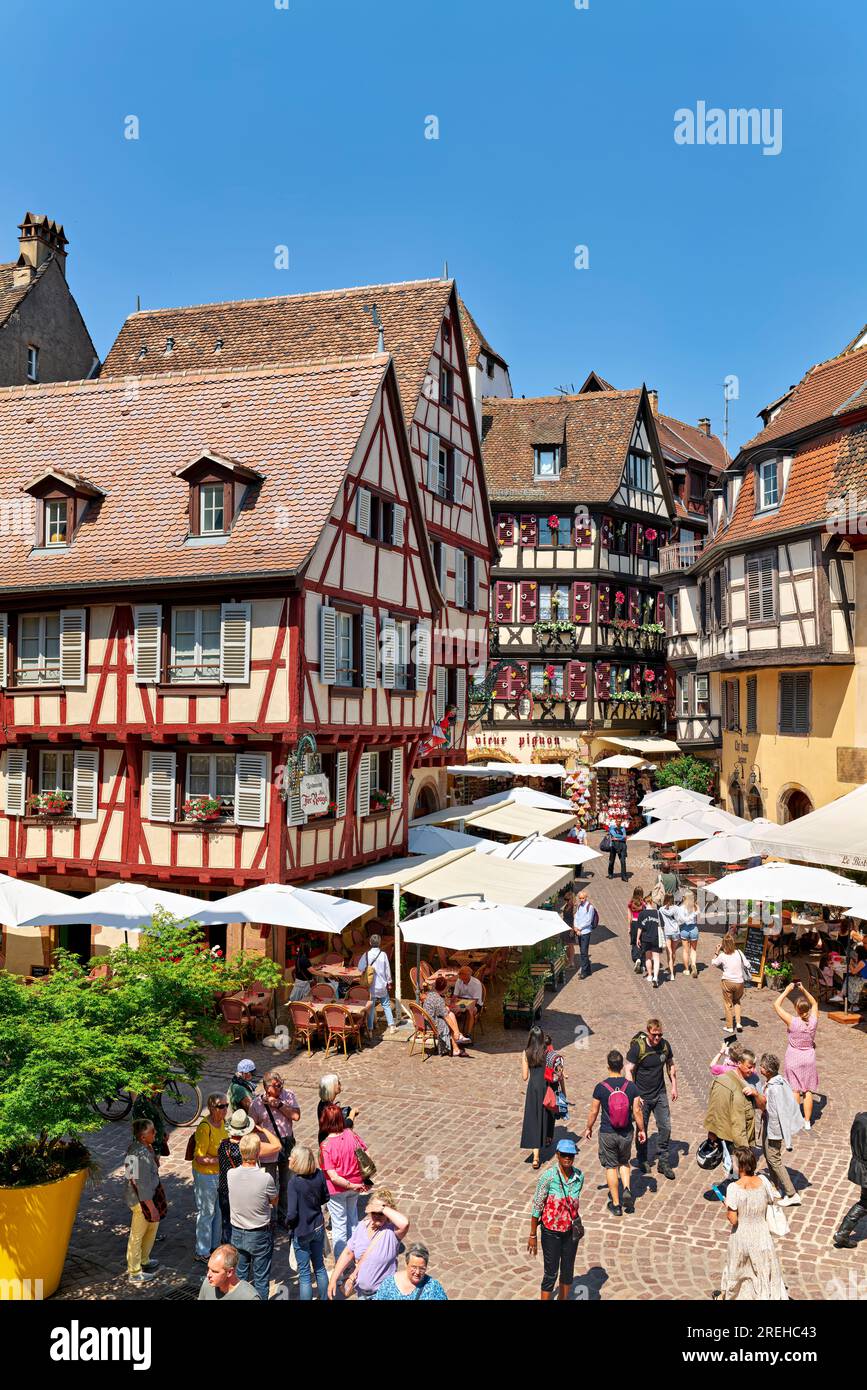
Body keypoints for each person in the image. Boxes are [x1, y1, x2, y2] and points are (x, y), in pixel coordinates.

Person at [717, 1146, 788, 1301]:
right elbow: (770, 1200)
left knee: (738, 1269)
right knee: (761, 1269)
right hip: (762, 1234)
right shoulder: (763, 1181)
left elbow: (733, 1219)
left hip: (742, 1236)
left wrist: (728, 1206)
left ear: (740, 1166)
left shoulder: (733, 1188)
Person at [583, 1049, 645, 1216]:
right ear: (621, 1066)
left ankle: (616, 1204)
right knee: (624, 1162)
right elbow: (637, 1111)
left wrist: (588, 1127)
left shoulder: (601, 1088)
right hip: (626, 1132)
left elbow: (594, 1111)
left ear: (608, 1066)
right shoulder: (631, 1087)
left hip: (607, 1132)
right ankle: (626, 1188)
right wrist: (642, 1130)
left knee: (611, 1166)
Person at [527, 1138, 585, 1300]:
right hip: (550, 1232)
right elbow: (537, 1206)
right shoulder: (548, 1177)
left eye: (571, 1155)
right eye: (564, 1155)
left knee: (567, 1271)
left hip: (570, 1232)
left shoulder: (579, 1177)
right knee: (551, 1273)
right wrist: (532, 1234)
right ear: (558, 1155)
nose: (568, 1158)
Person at [328, 1193, 410, 1300]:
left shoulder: (392, 1231)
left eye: (380, 1213)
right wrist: (334, 1279)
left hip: (384, 1294)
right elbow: (348, 1253)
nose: (376, 1215)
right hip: (362, 1294)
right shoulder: (362, 1226)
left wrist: (382, 1208)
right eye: (373, 1211)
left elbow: (405, 1223)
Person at [218, 1107, 281, 1244]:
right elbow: (277, 1146)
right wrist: (263, 1130)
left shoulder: (222, 1145)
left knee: (226, 1226)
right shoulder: (248, 1149)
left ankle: (227, 1252)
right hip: (243, 1193)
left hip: (225, 1191)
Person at [226, 1132, 277, 1302]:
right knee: (261, 1278)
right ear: (257, 1153)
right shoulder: (265, 1178)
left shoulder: (231, 1174)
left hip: (237, 1232)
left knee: (239, 1276)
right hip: (259, 1233)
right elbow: (274, 1200)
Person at [625, 1018, 677, 1180]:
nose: (657, 1038)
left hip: (660, 1093)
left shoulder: (665, 1046)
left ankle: (663, 1161)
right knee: (642, 1129)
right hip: (642, 1097)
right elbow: (628, 1070)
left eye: (660, 1035)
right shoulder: (638, 1048)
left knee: (666, 1127)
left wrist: (674, 1085)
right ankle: (642, 1158)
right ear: (648, 1032)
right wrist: (634, 1094)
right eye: (654, 1035)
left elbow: (671, 1064)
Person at [319, 1101, 369, 1258]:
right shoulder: (351, 1134)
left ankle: (341, 1267)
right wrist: (357, 1183)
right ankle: (357, 1257)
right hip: (355, 1185)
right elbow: (366, 1156)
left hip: (337, 1191)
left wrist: (349, 1184)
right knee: (353, 1221)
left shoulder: (326, 1145)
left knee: (339, 1227)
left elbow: (333, 1176)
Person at [250, 1069, 300, 1225]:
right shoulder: (257, 1104)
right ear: (267, 1088)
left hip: (286, 1145)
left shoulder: (288, 1096)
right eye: (276, 1086)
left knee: (287, 1183)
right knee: (268, 1185)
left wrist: (279, 1105)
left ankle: (284, 1217)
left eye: (281, 1084)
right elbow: (251, 1127)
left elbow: (296, 1116)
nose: (280, 1088)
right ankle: (268, 1219)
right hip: (268, 1151)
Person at [704, 1048, 763, 1174]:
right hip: (733, 1135)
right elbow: (717, 1110)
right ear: (739, 1064)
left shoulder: (755, 1079)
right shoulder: (724, 1081)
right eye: (749, 1067)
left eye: (754, 1067)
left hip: (746, 1132)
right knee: (736, 1168)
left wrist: (756, 1094)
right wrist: (712, 1135)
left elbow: (763, 1106)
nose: (752, 1070)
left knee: (739, 1168)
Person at [756, 1053, 804, 1206]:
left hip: (774, 1129)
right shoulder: (777, 1081)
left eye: (762, 1067)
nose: (760, 1069)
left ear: (768, 1071)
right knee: (769, 1155)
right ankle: (776, 1187)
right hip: (770, 1126)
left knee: (774, 1158)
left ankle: (791, 1193)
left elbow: (776, 1113)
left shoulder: (774, 1089)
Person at [285, 1144, 330, 1301]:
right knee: (319, 1266)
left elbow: (291, 1214)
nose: (289, 1158)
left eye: (292, 1156)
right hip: (317, 1226)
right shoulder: (319, 1175)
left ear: (298, 1161)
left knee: (304, 1274)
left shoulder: (294, 1183)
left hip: (302, 1231)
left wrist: (288, 1225)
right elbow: (326, 1197)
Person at [124, 1119, 166, 1286]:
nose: (155, 1133)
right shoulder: (140, 1155)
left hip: (142, 1195)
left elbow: (131, 1176)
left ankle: (144, 1259)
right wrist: (150, 1206)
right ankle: (134, 1271)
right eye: (152, 1132)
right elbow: (140, 1184)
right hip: (142, 1199)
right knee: (137, 1235)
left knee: (151, 1228)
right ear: (143, 1136)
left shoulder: (137, 1148)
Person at [773, 983, 819, 1128]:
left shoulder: (792, 1021)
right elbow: (815, 1002)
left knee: (795, 1089)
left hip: (793, 1057)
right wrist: (804, 989)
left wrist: (787, 991)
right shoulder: (814, 1020)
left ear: (797, 1010)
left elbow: (776, 1005)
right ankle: (807, 1121)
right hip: (809, 1058)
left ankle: (795, 1118)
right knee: (807, 1091)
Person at [192, 1093, 229, 1262]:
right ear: (213, 1108)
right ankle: (202, 1251)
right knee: (207, 1212)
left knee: (218, 1211)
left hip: (219, 1174)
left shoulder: (223, 1123)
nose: (225, 1109)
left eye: (226, 1105)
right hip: (206, 1175)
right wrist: (222, 1159)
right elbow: (200, 1157)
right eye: (222, 1106)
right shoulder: (204, 1127)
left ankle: (214, 1245)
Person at [832, 1112, 867, 1248]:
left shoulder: (860, 1118)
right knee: (864, 1203)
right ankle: (842, 1233)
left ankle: (842, 1233)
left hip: (860, 1166)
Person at [521, 1025, 553, 1170]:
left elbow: (524, 1076)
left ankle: (535, 1157)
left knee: (533, 1119)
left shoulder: (526, 1053)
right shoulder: (546, 1053)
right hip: (545, 1087)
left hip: (533, 1088)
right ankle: (546, 1137)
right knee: (544, 1115)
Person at [374, 1243, 448, 1300]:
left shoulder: (433, 1287)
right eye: (414, 1267)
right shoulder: (389, 1284)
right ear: (406, 1264)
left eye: (422, 1268)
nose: (417, 1272)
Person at [711, 933, 752, 1032]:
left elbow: (713, 963)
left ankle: (729, 1026)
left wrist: (716, 951)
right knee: (737, 1001)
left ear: (723, 944)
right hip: (739, 982)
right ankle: (738, 1023)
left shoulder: (722, 955)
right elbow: (748, 965)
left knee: (728, 1003)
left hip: (727, 982)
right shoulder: (739, 952)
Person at [422, 975, 472, 1057]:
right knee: (449, 1020)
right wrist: (455, 1030)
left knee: (451, 1014)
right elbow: (446, 1017)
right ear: (444, 988)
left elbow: (439, 1009)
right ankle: (458, 1036)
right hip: (432, 1024)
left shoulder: (430, 994)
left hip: (428, 1020)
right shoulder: (438, 999)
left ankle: (456, 1047)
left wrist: (446, 1008)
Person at [358, 933, 396, 1034]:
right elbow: (387, 970)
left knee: (371, 1007)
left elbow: (360, 968)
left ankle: (370, 1029)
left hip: (371, 986)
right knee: (386, 1005)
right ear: (379, 943)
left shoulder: (366, 955)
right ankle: (392, 1026)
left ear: (370, 943)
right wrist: (389, 982)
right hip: (382, 985)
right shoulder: (383, 955)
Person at [636, 884, 665, 987]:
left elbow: (639, 928)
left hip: (645, 938)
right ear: (652, 902)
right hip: (656, 938)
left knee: (648, 957)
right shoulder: (657, 913)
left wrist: (637, 939)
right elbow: (662, 926)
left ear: (645, 903)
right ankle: (656, 977)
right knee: (656, 958)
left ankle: (649, 975)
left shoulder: (642, 914)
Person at [130, 1087, 168, 1158]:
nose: (158, 1091)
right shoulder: (142, 1104)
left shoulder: (151, 1100)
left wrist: (164, 1132)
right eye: (156, 1089)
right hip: (148, 1148)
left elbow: (157, 1119)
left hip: (154, 1144)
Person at [573, 890, 598, 979]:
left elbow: (588, 920)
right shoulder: (580, 906)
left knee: (583, 952)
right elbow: (576, 917)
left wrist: (579, 928)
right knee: (582, 951)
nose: (581, 900)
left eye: (583, 898)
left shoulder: (589, 907)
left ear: (586, 897)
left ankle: (584, 971)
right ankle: (588, 970)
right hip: (579, 931)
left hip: (585, 932)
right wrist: (575, 927)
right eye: (580, 898)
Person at [452, 965, 484, 1033]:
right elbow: (455, 995)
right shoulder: (459, 980)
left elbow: (474, 1002)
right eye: (461, 978)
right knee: (450, 1010)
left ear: (469, 976)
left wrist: (461, 1007)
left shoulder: (476, 983)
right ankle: (454, 1032)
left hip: (475, 1003)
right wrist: (452, 1004)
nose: (462, 980)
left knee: (470, 1011)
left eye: (464, 978)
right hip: (462, 1000)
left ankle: (468, 1034)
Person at [660, 892, 682, 981]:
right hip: (676, 931)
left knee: (668, 952)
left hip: (667, 931)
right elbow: (680, 920)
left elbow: (660, 921)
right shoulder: (677, 908)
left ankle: (671, 973)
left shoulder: (661, 909)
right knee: (673, 951)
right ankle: (672, 966)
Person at [678, 891, 700, 978]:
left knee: (685, 950)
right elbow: (697, 918)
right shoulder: (695, 906)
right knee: (693, 950)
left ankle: (687, 969)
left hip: (684, 929)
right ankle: (693, 964)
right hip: (694, 928)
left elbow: (682, 920)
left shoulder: (681, 907)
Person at [627, 887, 646, 975]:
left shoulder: (631, 903)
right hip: (642, 924)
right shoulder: (643, 904)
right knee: (642, 942)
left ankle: (636, 958)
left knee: (634, 942)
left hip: (634, 923)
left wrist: (629, 927)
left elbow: (629, 917)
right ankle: (642, 962)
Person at [561, 888, 577, 968]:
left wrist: (572, 929)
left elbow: (575, 919)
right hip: (565, 927)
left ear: (571, 898)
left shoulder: (574, 907)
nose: (566, 901)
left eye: (568, 900)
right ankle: (569, 961)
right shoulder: (566, 905)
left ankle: (571, 962)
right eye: (565, 900)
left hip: (570, 927)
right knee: (566, 944)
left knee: (570, 945)